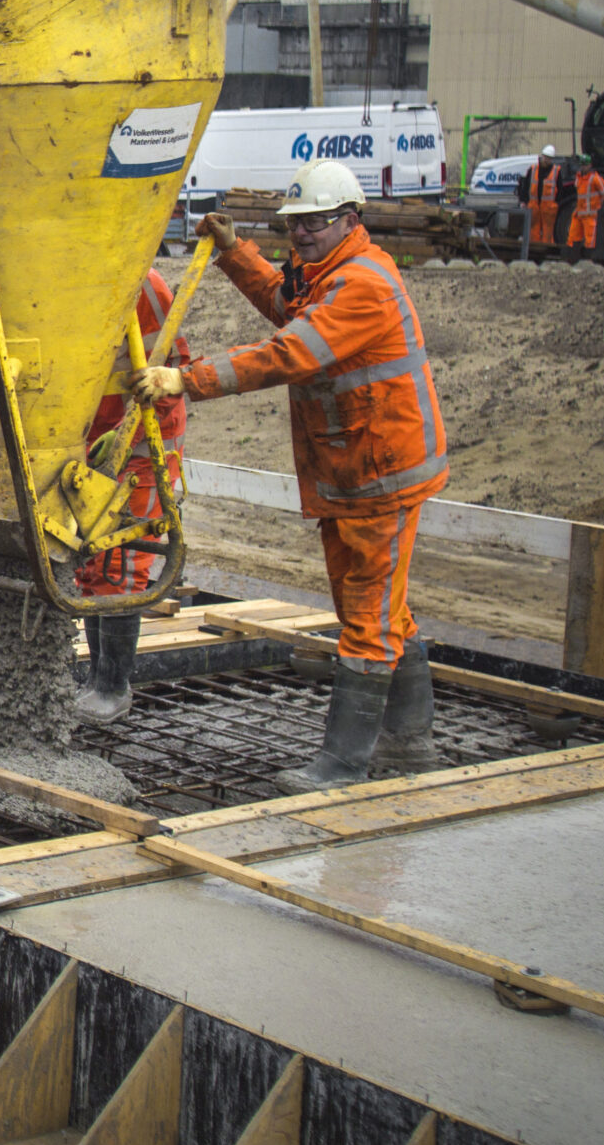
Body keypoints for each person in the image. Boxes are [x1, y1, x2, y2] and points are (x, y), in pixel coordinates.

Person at [131, 161, 449, 792]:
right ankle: (409, 745)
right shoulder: (329, 273)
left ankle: (342, 765)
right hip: (353, 468)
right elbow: (286, 305)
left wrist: (184, 380)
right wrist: (234, 251)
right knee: (382, 610)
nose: (300, 234)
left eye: (313, 222)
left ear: (349, 221)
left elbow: (291, 351)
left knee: (367, 618)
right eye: (293, 224)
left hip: (378, 472)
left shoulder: (364, 285)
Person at [74, 269, 190, 723]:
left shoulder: (143, 286)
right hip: (89, 441)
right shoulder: (64, 277)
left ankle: (112, 686)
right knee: (88, 561)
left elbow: (171, 372)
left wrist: (126, 438)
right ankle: (97, 680)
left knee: (119, 561)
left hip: (142, 443)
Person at [521, 144, 563, 255]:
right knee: (533, 230)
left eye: (549, 158)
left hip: (549, 208)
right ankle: (533, 251)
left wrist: (556, 204)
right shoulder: (533, 169)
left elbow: (560, 190)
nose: (546, 160)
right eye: (545, 157)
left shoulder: (556, 171)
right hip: (534, 205)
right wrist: (524, 201)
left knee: (547, 231)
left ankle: (546, 251)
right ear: (541, 156)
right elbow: (525, 186)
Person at [569, 154, 604, 256]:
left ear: (590, 165)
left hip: (589, 215)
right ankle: (574, 255)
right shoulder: (578, 177)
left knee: (590, 239)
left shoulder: (595, 178)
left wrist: (598, 205)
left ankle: (588, 258)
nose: (583, 167)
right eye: (582, 165)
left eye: (585, 165)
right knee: (573, 237)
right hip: (579, 213)